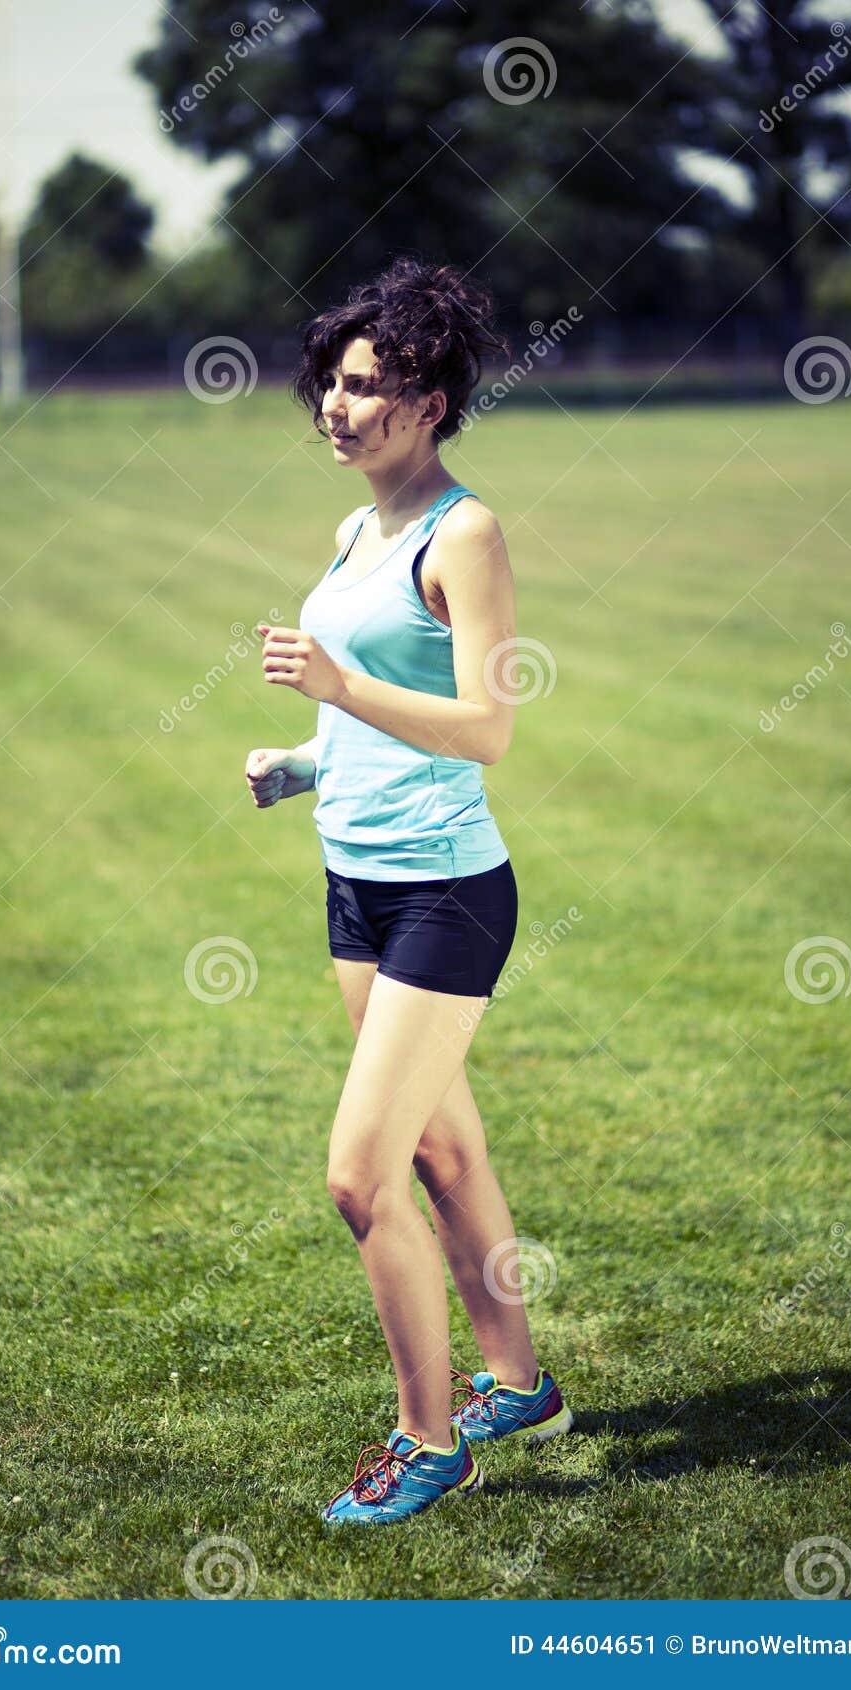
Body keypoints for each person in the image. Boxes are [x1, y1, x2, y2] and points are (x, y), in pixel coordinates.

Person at [244, 256, 570, 1527]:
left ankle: (426, 1443)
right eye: (329, 380)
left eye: (367, 385)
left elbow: (486, 727)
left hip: (444, 890)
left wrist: (335, 689)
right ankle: (517, 1383)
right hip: (355, 881)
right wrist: (306, 761)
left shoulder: (462, 530)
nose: (337, 403)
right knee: (440, 1147)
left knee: (360, 1176)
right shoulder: (355, 529)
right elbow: (386, 720)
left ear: (431, 401)